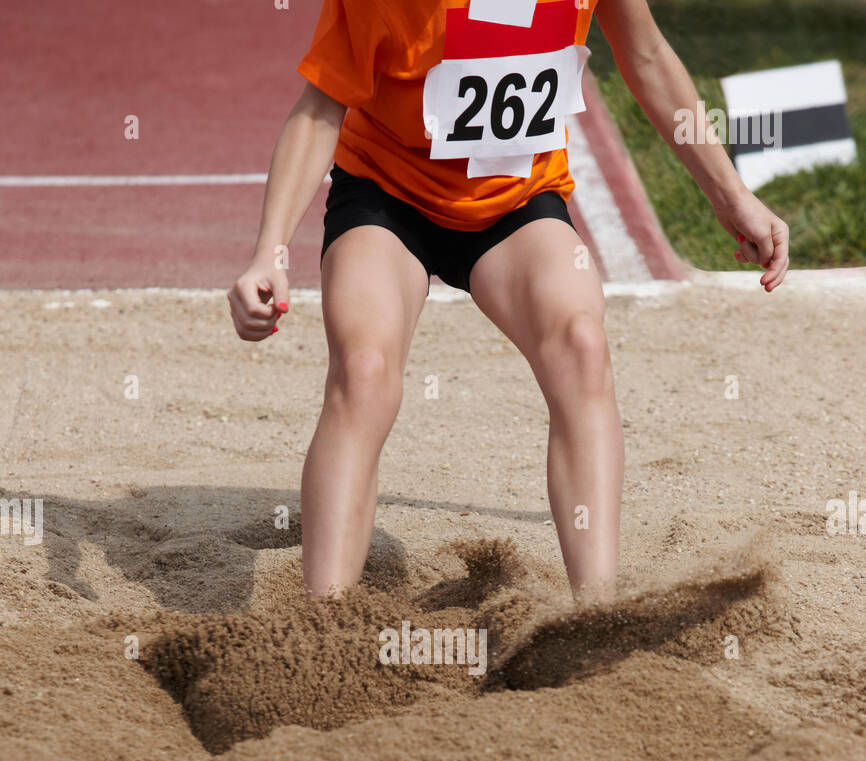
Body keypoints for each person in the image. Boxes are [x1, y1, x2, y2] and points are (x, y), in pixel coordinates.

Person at [227, 0, 789, 600]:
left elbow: (646, 54)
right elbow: (320, 107)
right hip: (388, 197)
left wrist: (730, 194)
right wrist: (270, 252)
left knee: (580, 345)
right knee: (364, 370)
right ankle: (323, 621)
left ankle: (594, 614)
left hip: (515, 201)